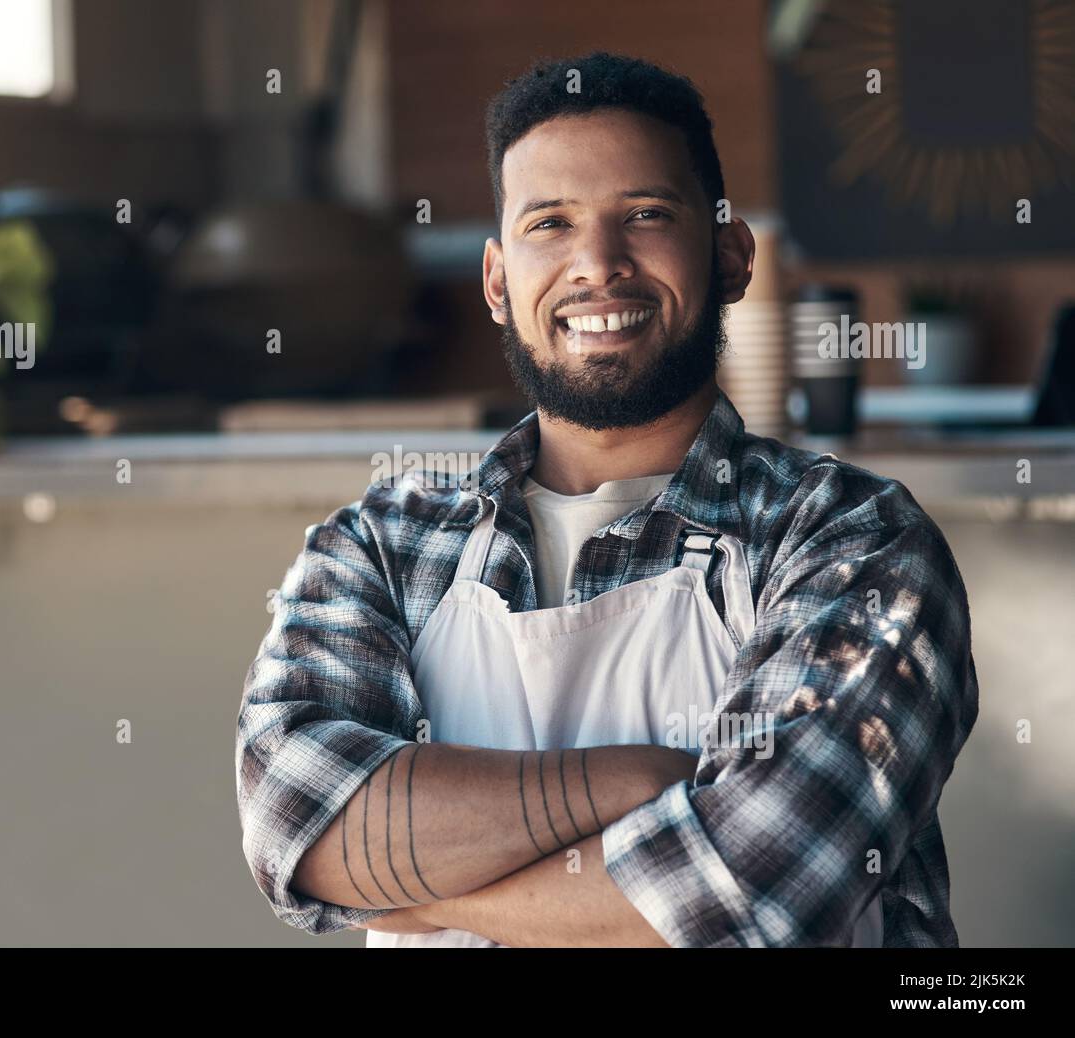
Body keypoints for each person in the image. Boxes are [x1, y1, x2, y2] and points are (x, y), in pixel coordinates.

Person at [234, 51, 979, 947]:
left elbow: (749, 896)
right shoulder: (383, 547)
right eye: (550, 223)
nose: (599, 264)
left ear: (732, 256)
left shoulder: (849, 541)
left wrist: (418, 897)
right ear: (498, 281)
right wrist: (635, 781)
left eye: (647, 215)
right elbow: (294, 824)